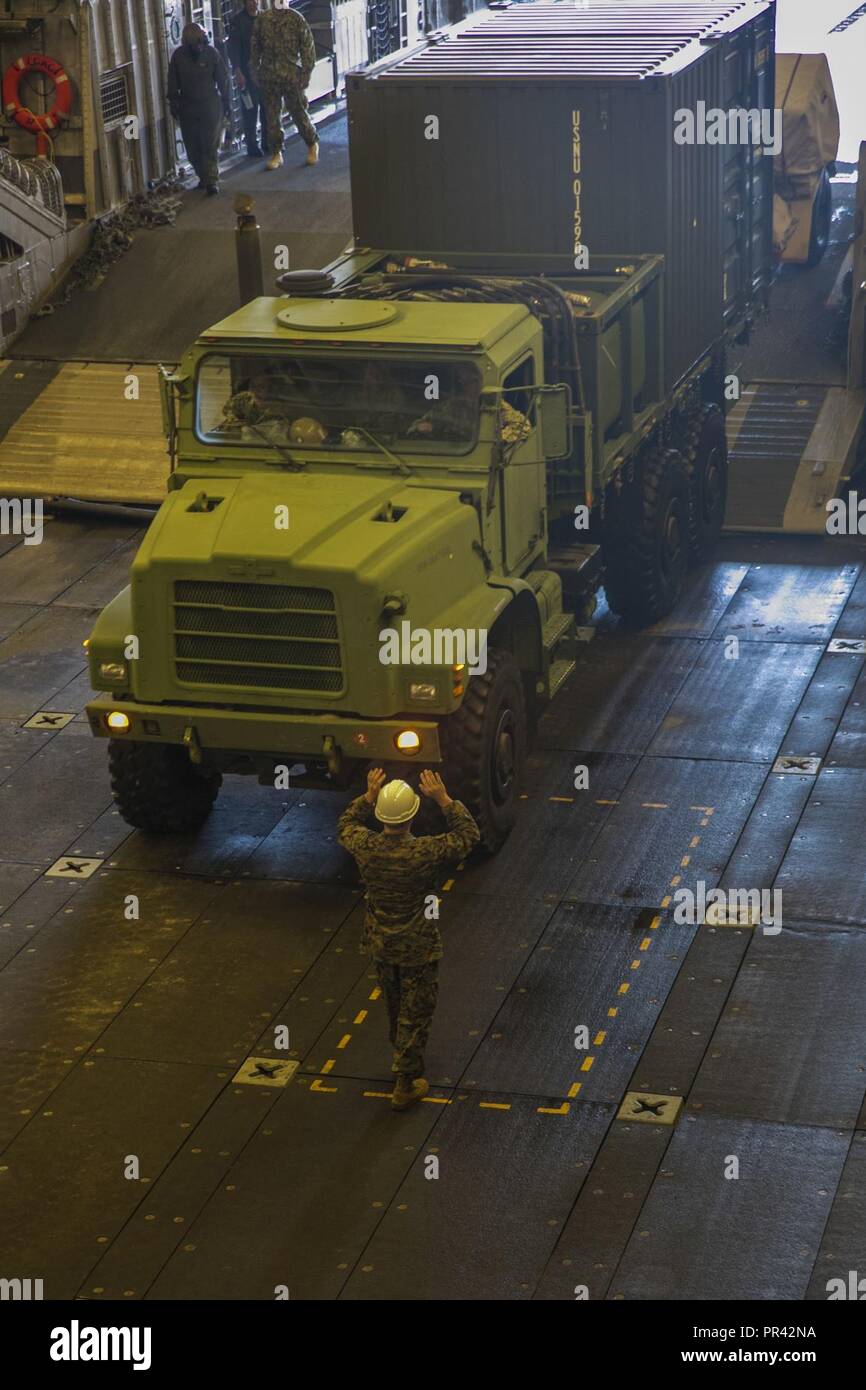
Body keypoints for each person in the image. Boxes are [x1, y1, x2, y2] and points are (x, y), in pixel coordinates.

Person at [337, 768, 480, 1111]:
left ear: (381, 815)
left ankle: (401, 1055)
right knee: (416, 1013)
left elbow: (345, 824)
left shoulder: (365, 846)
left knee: (395, 1004)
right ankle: (405, 1081)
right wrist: (443, 798)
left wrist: (368, 796)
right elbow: (468, 835)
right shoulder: (425, 852)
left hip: (381, 943)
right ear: (413, 814)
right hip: (417, 945)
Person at [251, 0, 320, 169]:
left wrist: (306, 73)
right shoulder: (263, 20)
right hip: (270, 76)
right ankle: (276, 153)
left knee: (298, 113)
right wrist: (254, 70)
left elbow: (308, 49)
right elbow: (255, 47)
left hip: (291, 77)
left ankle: (312, 143)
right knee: (272, 118)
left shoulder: (296, 19)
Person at [167, 23, 231, 195]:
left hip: (210, 103)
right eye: (195, 43)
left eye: (201, 42)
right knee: (192, 146)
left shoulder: (211, 54)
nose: (199, 46)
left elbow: (223, 80)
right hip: (188, 105)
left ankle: (211, 180)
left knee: (209, 143)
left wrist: (227, 103)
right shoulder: (178, 57)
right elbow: (173, 82)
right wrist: (173, 102)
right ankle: (203, 176)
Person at [227, 0, 267, 158]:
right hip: (247, 73)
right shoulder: (238, 22)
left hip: (265, 72)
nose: (254, 3)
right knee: (250, 109)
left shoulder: (265, 19)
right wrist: (238, 71)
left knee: (267, 108)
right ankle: (252, 145)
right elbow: (234, 48)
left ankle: (268, 141)